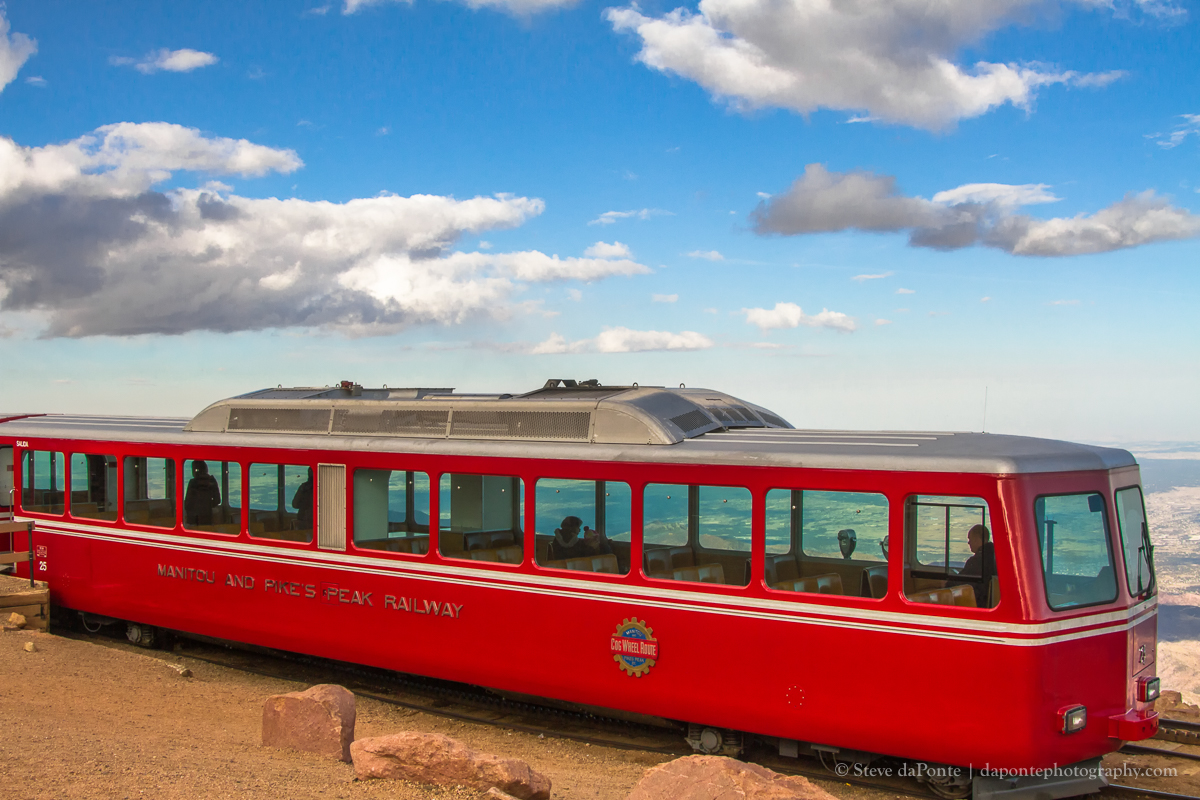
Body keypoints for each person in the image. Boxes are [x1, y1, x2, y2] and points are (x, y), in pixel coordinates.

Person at [950, 523, 996, 604]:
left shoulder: (976, 562)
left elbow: (959, 583)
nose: (969, 543)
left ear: (977, 540)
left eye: (970, 539)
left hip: (977, 602)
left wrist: (945, 584)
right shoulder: (995, 558)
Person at [184, 460, 221, 526]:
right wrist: (207, 505)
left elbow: (188, 502)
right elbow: (217, 500)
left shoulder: (193, 482)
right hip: (207, 517)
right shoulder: (212, 481)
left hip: (193, 519)